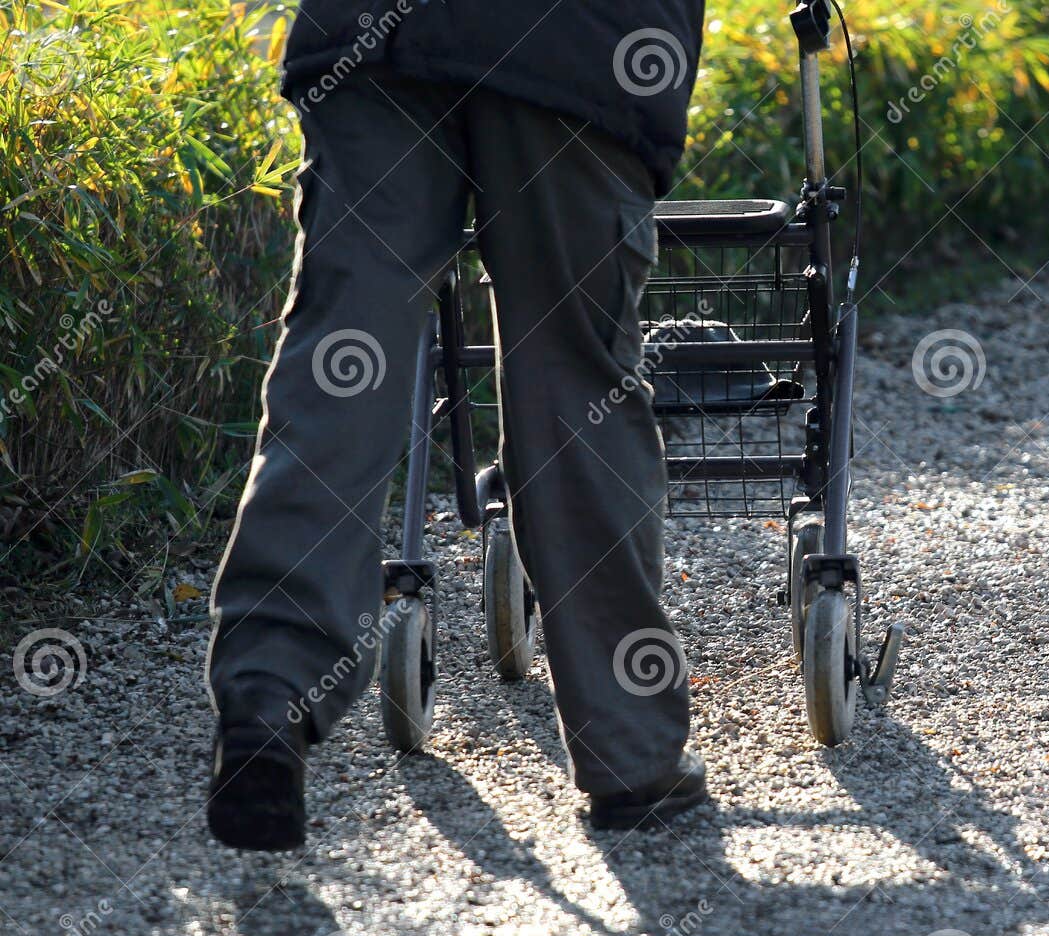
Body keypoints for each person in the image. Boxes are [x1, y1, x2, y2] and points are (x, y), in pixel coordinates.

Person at [205, 1, 710, 851]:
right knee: (571, 374)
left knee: (344, 351)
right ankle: (628, 751)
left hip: (377, 40)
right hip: (578, 47)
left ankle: (270, 687)